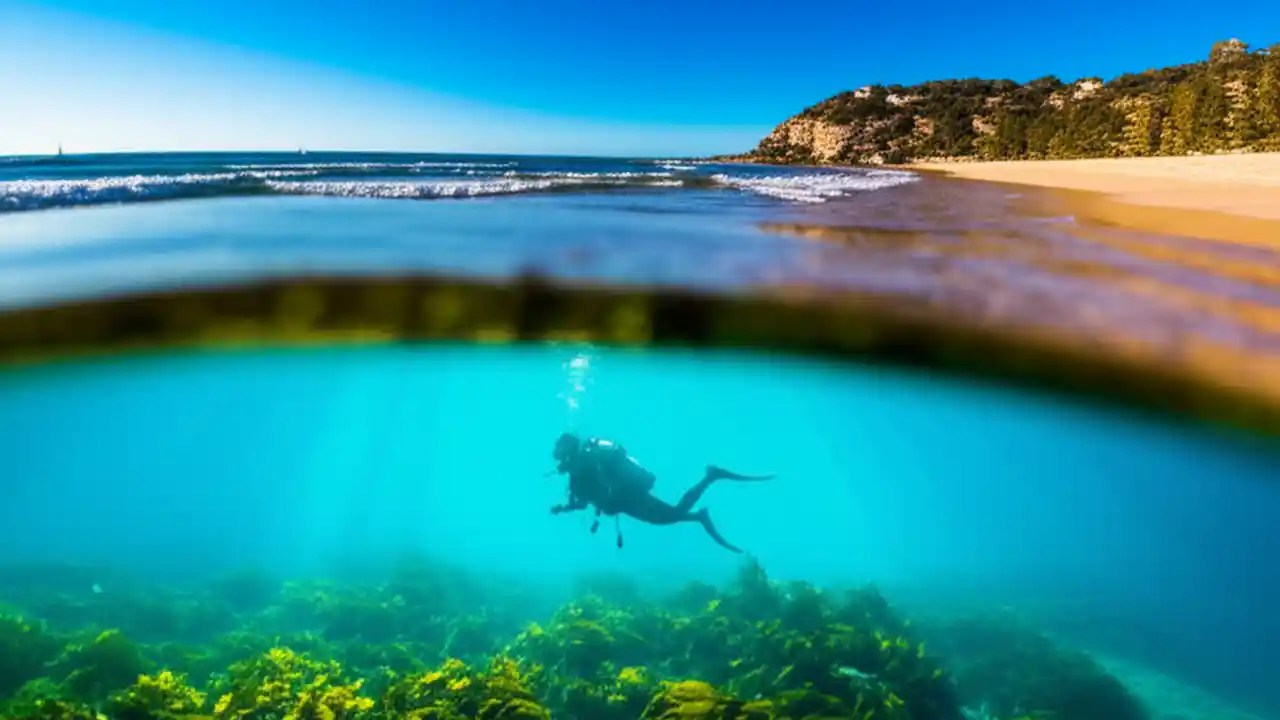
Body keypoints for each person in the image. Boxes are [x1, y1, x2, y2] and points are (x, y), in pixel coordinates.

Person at [549, 432, 772, 553]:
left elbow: (599, 490)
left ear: (567, 451)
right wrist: (564, 508)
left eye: (559, 452)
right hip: (626, 502)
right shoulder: (579, 472)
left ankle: (711, 477)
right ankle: (698, 515)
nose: (557, 458)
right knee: (664, 518)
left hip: (629, 498)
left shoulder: (587, 463)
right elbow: (584, 501)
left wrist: (581, 501)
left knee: (670, 516)